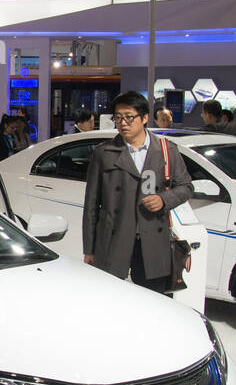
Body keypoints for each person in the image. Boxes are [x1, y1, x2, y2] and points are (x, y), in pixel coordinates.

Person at [82, 91, 192, 293]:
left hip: (152, 241)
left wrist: (163, 199)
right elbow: (91, 205)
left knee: (154, 302)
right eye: (118, 117)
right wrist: (89, 249)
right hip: (113, 240)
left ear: (145, 118)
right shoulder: (103, 152)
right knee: (110, 298)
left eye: (129, 117)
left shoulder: (167, 150)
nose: (123, 123)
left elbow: (186, 186)